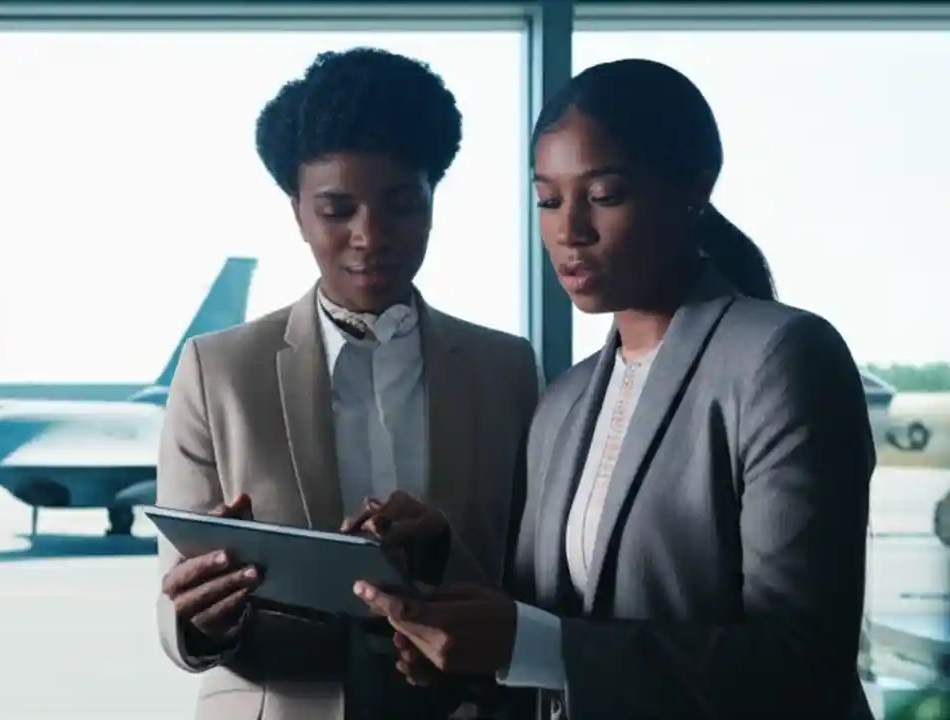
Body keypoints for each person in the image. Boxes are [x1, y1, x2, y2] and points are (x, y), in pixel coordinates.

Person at [355, 58, 877, 720]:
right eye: (548, 200)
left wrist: (533, 645)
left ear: (695, 185)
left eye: (603, 195)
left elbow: (801, 660)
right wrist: (442, 588)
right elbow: (546, 634)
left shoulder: (782, 358)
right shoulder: (565, 402)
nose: (568, 230)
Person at [154, 47, 542, 720]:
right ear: (297, 212)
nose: (371, 236)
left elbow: (533, 583)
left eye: (400, 205)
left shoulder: (506, 369)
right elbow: (173, 602)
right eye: (337, 210)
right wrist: (202, 617)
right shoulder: (216, 369)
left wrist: (438, 555)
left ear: (432, 202)